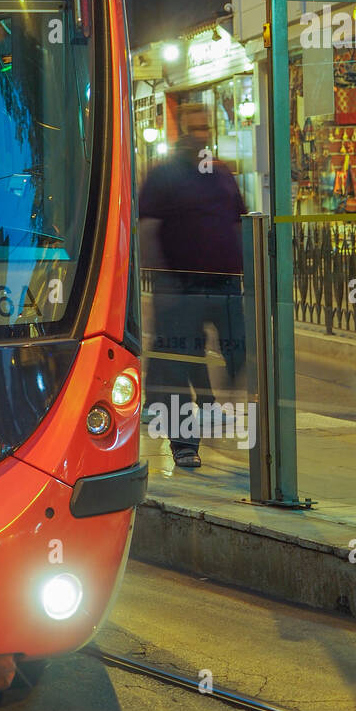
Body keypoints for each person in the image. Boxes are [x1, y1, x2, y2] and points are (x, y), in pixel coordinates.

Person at [138, 102, 247, 468]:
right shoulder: (163, 175)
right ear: (179, 132)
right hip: (180, 286)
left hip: (223, 284)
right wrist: (162, 281)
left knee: (234, 350)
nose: (199, 135)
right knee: (175, 364)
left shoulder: (220, 174)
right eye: (193, 128)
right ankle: (184, 443)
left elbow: (237, 221)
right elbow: (148, 228)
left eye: (204, 128)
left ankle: (212, 406)